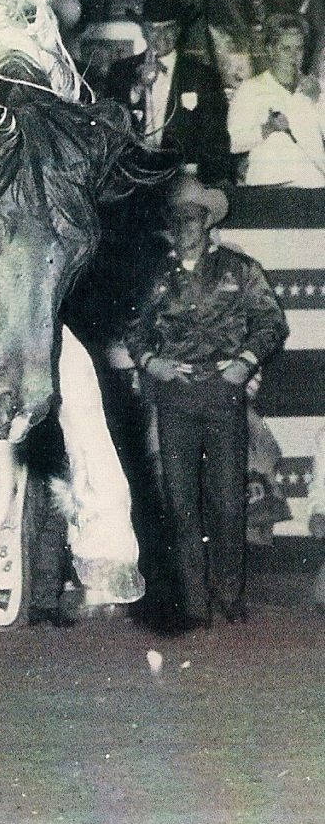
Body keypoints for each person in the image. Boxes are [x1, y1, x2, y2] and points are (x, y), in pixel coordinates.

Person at [127, 172, 288, 628]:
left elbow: (271, 322)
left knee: (227, 501)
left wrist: (246, 362)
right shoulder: (155, 275)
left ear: (207, 224)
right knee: (180, 504)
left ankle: (228, 596)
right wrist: (150, 360)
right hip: (175, 396)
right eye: (176, 221)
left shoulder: (240, 269)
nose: (184, 230)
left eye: (192, 220)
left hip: (222, 395)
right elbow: (134, 328)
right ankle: (194, 603)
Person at [102, 0, 232, 182]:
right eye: (153, 29)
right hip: (132, 178)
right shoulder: (121, 71)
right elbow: (109, 123)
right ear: (143, 32)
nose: (161, 36)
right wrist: (137, 87)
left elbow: (215, 139)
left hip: (182, 179)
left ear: (179, 30)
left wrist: (198, 177)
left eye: (168, 28)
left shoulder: (202, 76)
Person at [227, 13, 325, 187]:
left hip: (314, 186)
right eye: (286, 49)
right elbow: (234, 142)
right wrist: (268, 128)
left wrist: (318, 99)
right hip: (269, 188)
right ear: (271, 50)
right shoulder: (251, 89)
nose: (294, 56)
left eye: (299, 48)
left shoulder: (316, 88)